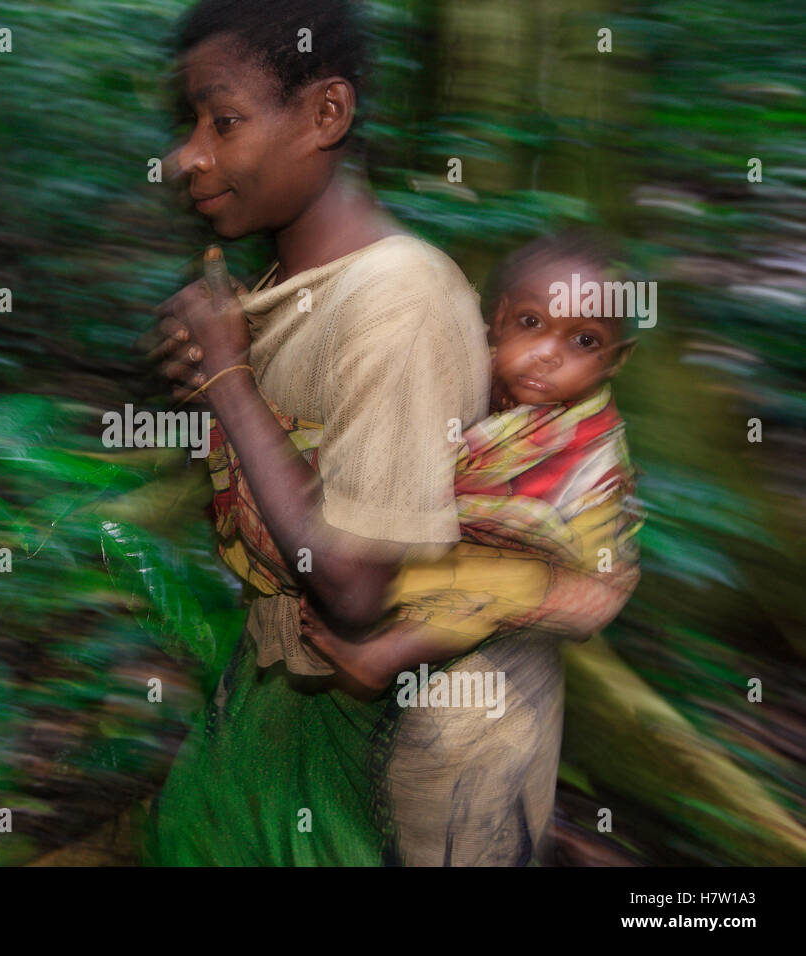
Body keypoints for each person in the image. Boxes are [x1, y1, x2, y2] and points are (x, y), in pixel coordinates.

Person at [145, 0, 628, 865]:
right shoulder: (293, 284)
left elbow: (353, 586)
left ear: (325, 115)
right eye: (187, 124)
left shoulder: (398, 300)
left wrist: (228, 379)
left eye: (222, 120)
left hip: (367, 747)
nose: (187, 155)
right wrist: (219, 376)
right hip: (271, 700)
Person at [295, 231, 644, 696]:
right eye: (531, 322)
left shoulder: (592, 449)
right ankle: (353, 589)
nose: (547, 355)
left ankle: (387, 656)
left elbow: (594, 557)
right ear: (500, 320)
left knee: (517, 584)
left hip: (529, 571)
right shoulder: (460, 367)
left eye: (583, 341)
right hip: (427, 536)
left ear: (614, 362)